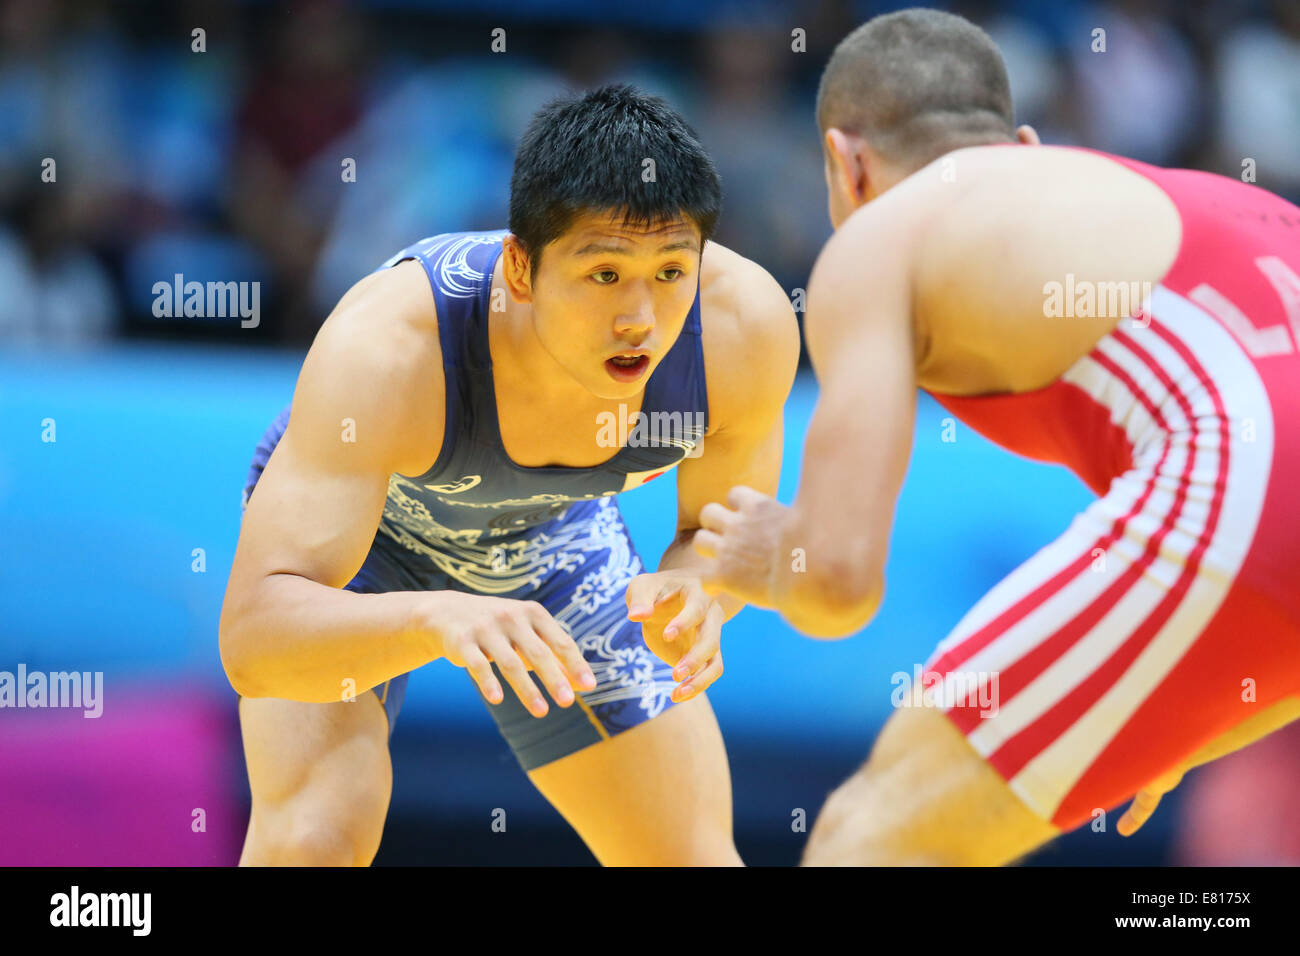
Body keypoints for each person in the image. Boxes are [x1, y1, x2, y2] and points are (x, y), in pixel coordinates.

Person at [694, 9, 1300, 865]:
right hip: (1251, 496)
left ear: (847, 161)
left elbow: (834, 581)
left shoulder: (883, 234)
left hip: (1242, 467)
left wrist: (773, 556)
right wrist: (1188, 705)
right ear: (1023, 143)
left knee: (869, 839)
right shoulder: (1171, 195)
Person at [220, 84, 799, 866]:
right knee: (315, 841)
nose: (641, 318)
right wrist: (436, 617)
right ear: (520, 269)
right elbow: (254, 640)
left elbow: (712, 541)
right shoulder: (390, 348)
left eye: (670, 272)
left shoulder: (743, 331)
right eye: (604, 275)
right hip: (367, 549)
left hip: (552, 539)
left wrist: (697, 594)